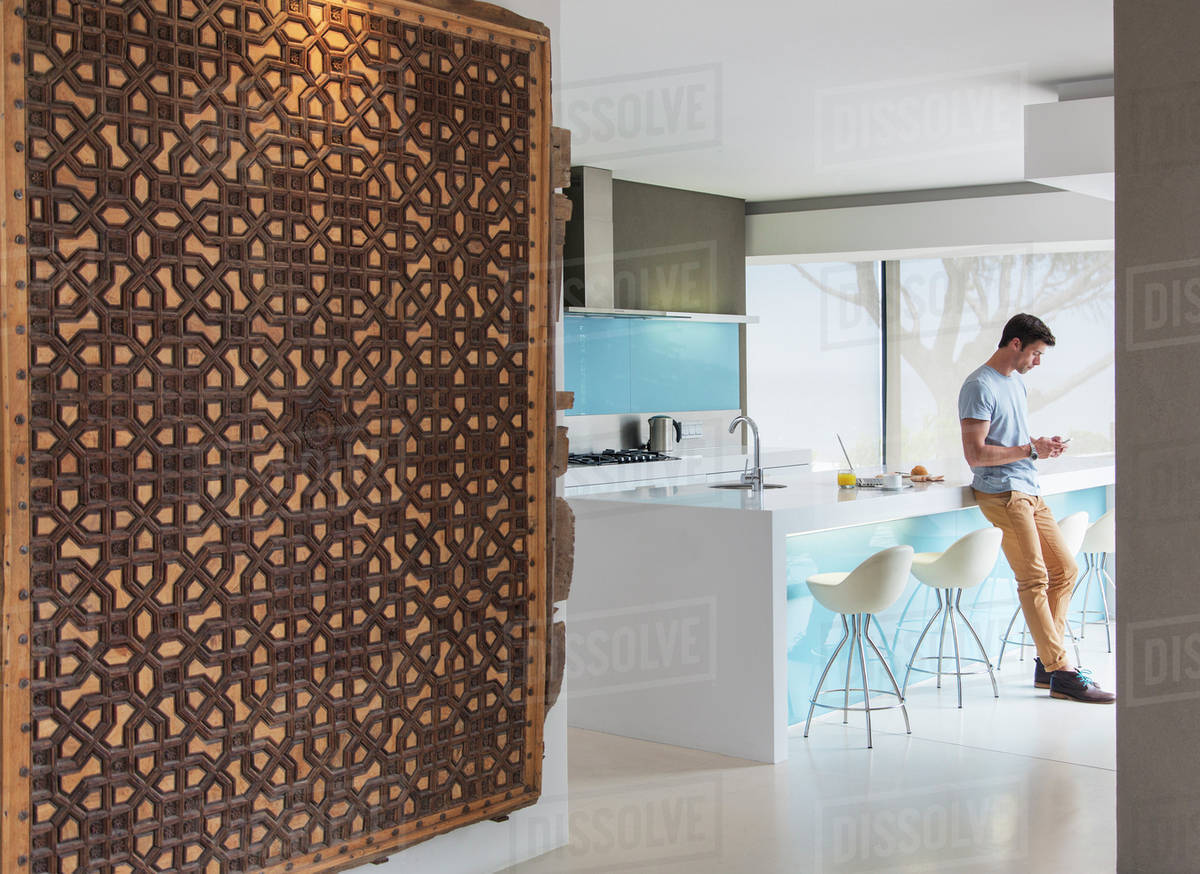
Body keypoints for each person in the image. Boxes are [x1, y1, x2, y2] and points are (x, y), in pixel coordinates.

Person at [958, 313, 1114, 704]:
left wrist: (1039, 445)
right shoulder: (978, 385)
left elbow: (1009, 438)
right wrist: (1029, 450)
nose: (1038, 362)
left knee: (1066, 568)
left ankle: (1049, 666)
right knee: (1034, 578)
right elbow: (975, 455)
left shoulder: (1016, 385)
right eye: (1037, 353)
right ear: (1015, 344)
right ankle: (1062, 670)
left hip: (1029, 488)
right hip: (1002, 494)